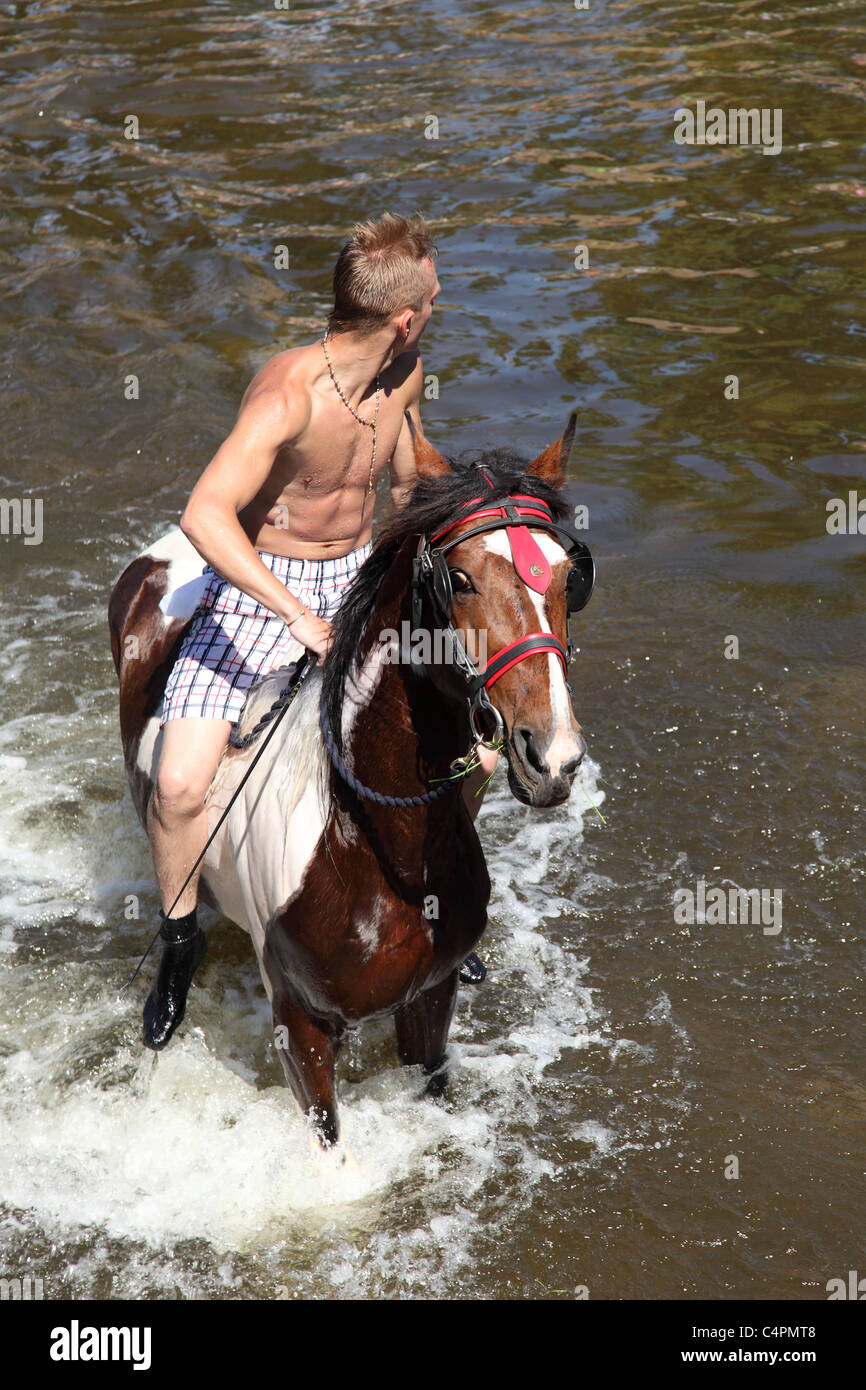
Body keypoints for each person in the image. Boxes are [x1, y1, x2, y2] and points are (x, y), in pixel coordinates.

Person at [144, 212, 494, 1051]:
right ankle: (179, 937)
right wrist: (295, 614)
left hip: (364, 575)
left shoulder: (404, 372)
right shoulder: (286, 396)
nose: (439, 307)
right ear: (404, 316)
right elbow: (205, 512)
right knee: (182, 786)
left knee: (473, 745)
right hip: (265, 588)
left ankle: (437, 899)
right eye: (434, 298)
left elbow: (409, 483)